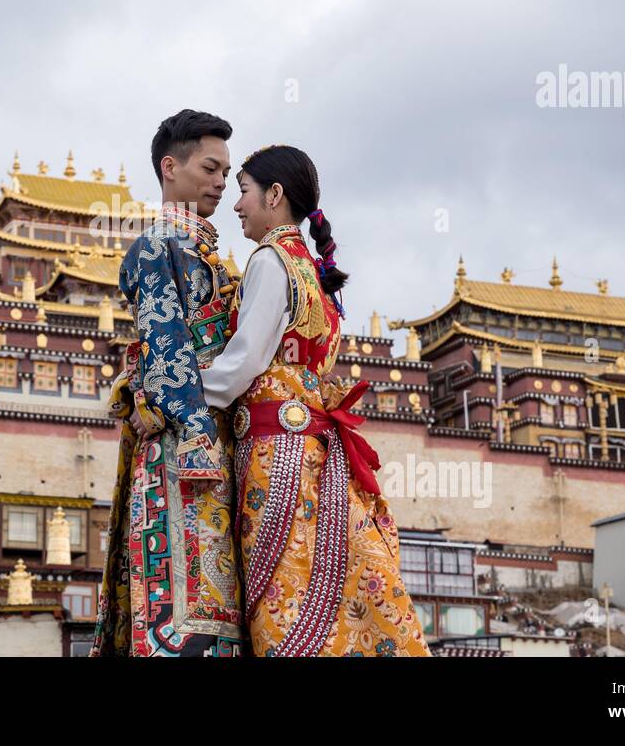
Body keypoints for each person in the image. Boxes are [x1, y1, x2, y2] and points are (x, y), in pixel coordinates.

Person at [201, 144, 430, 657]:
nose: (237, 205)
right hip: (315, 454)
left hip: (272, 455)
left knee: (277, 598)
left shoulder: (269, 261)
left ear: (274, 195)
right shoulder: (315, 274)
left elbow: (245, 359)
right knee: (316, 593)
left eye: (243, 192)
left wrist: (183, 396)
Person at [91, 110, 244, 656]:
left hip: (214, 437)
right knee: (185, 600)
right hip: (185, 448)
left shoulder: (206, 255)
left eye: (227, 174)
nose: (220, 183)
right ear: (169, 167)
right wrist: (202, 437)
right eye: (210, 168)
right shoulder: (157, 248)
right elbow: (169, 354)